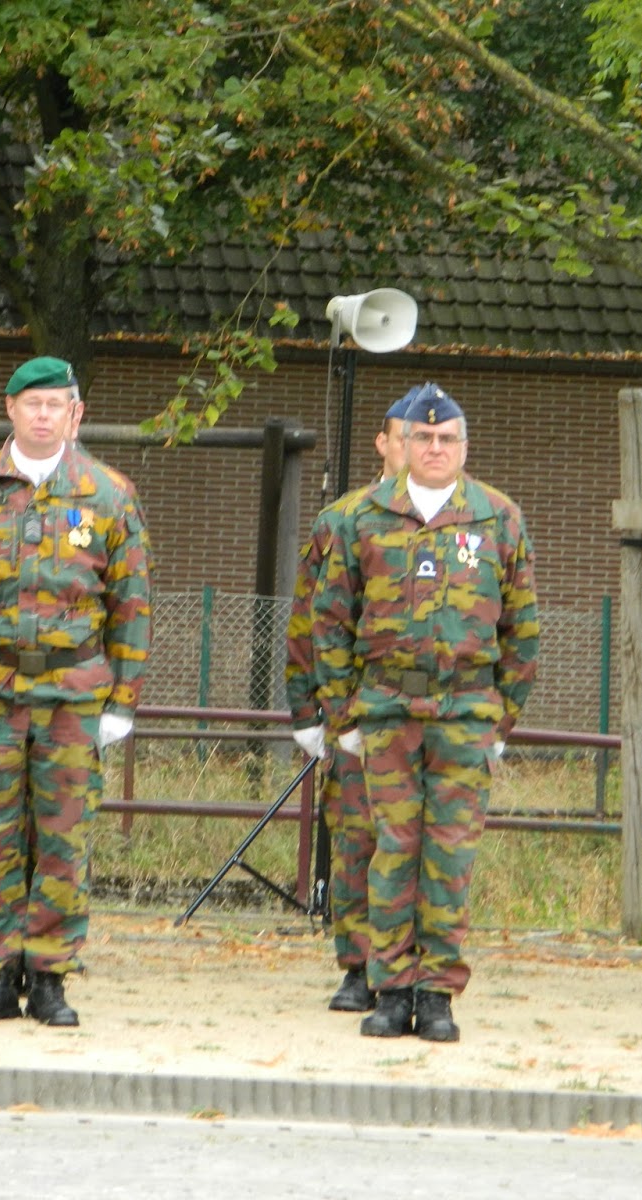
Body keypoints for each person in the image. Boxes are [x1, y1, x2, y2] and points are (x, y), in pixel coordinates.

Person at [0, 355, 151, 1027]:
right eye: (32, 404)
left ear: (76, 415)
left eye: (57, 405)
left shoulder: (109, 495)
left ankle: (49, 975)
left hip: (75, 694)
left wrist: (123, 699)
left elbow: (132, 602)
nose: (44, 415)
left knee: (63, 840)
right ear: (11, 409)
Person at [309, 382, 539, 1042]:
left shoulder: (497, 518)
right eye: (423, 437)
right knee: (392, 850)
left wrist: (504, 719)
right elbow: (329, 623)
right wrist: (343, 717)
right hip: (386, 711)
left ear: (464, 447)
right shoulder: (363, 518)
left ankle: (436, 991)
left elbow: (522, 627)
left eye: (447, 439)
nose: (435, 448)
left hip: (466, 714)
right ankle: (390, 986)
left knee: (449, 855)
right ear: (401, 445)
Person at [285, 387, 412, 1013]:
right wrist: (306, 711)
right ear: (383, 444)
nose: (418, 447)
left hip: (429, 720)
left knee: (421, 845)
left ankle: (410, 967)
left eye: (431, 437)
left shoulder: (469, 520)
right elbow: (310, 619)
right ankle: (357, 966)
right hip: (357, 712)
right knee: (358, 839)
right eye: (405, 436)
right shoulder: (343, 518)